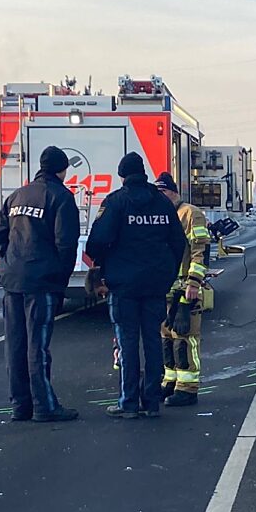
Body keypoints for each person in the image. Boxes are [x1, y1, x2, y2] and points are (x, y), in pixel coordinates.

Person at [86, 153, 186, 420]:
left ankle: (128, 403)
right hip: (155, 284)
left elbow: (96, 241)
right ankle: (152, 401)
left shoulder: (116, 202)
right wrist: (167, 273)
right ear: (143, 173)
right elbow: (178, 243)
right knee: (153, 339)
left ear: (122, 176)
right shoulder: (162, 204)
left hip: (123, 285)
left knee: (128, 342)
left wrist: (105, 265)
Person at [0, 146, 82, 423]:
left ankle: (21, 405)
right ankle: (44, 406)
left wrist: (8, 259)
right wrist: (60, 279)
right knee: (37, 346)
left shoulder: (18, 195)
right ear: (62, 169)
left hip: (12, 280)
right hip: (41, 282)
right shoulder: (61, 197)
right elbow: (66, 244)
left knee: (15, 344)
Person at [154, 172, 210, 407]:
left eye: (164, 192)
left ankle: (188, 389)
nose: (161, 198)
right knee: (167, 339)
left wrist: (194, 283)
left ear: (174, 192)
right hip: (165, 290)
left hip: (186, 290)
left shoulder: (190, 214)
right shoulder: (161, 215)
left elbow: (200, 250)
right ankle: (171, 381)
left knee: (185, 339)